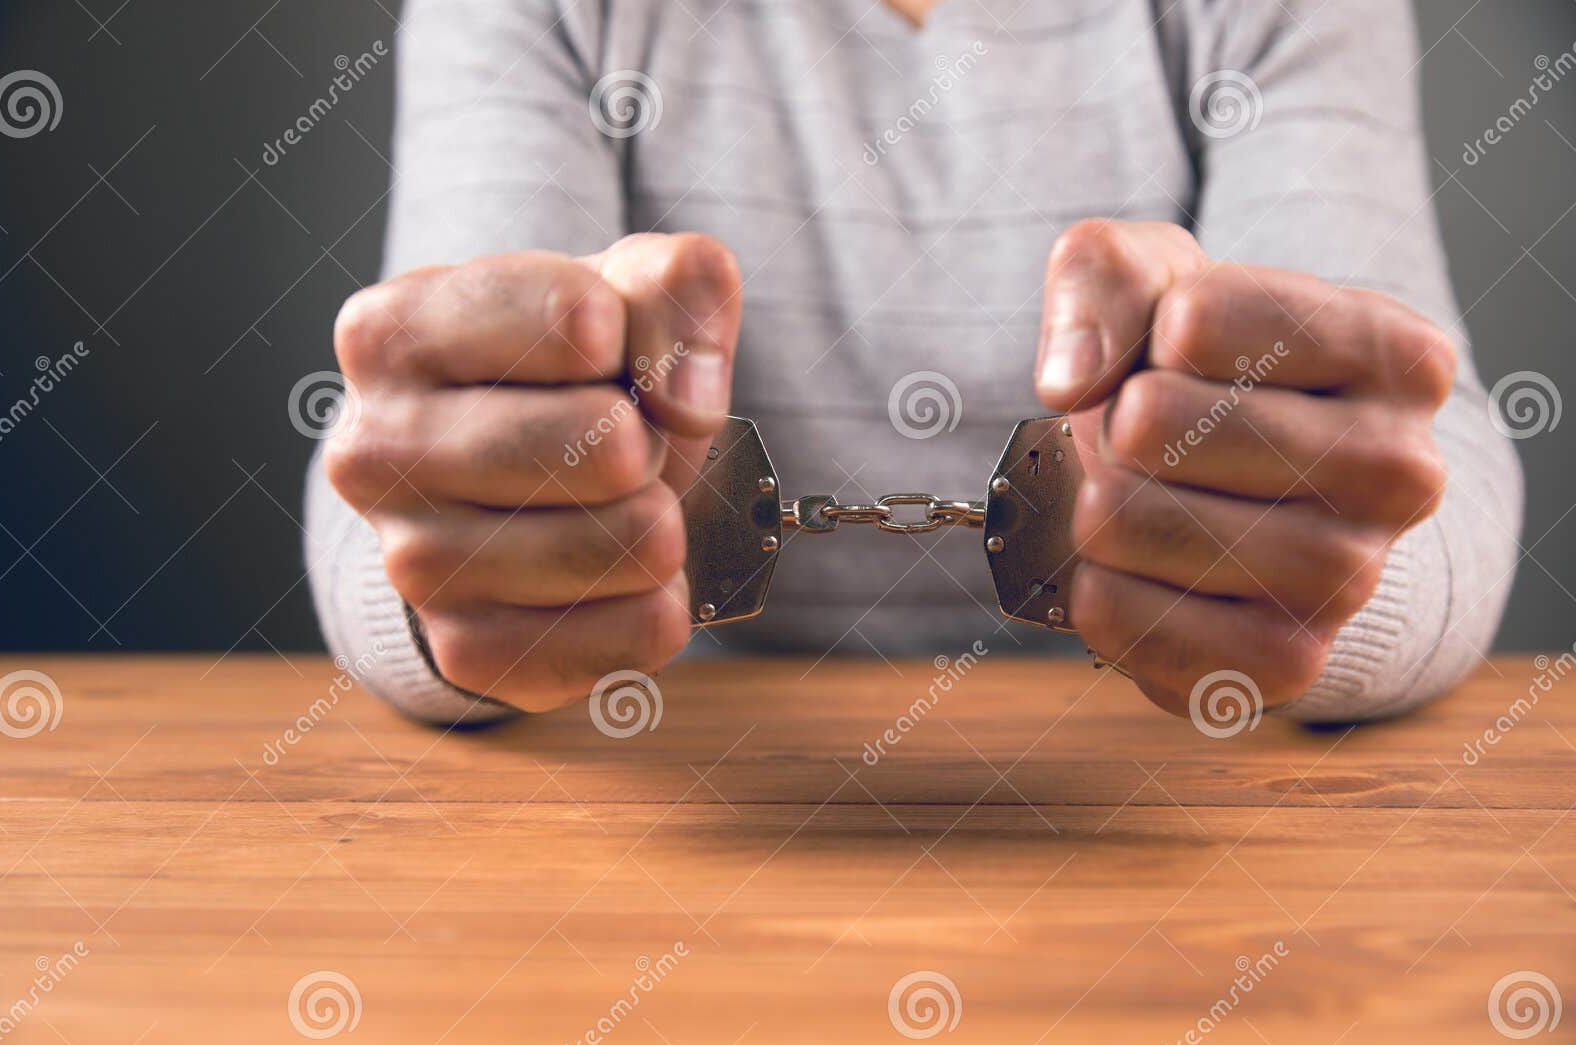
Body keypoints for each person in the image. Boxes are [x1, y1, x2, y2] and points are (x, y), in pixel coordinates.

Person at [305, 0, 1522, 725]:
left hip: (1188, 784)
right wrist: (448, 578)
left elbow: (1420, 436)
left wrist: (1333, 579)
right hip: (655, 768)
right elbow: (404, 437)